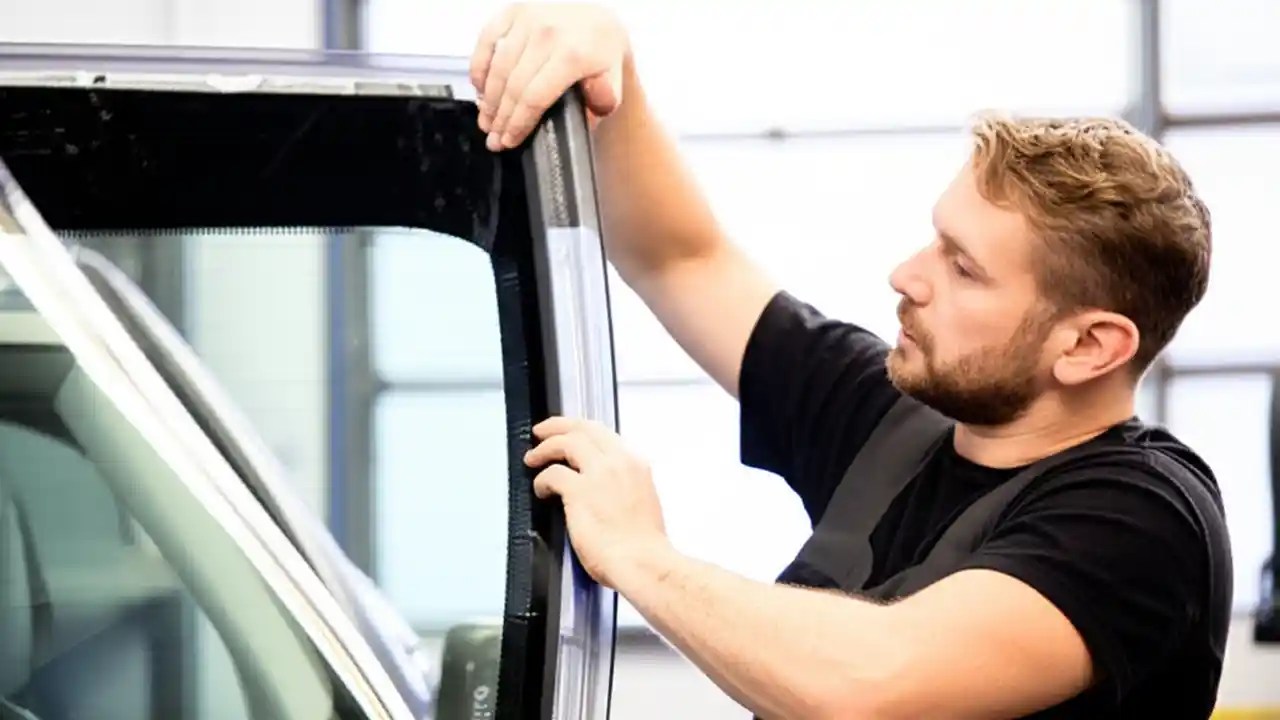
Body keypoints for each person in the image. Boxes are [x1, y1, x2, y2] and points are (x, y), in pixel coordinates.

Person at [471, 4, 1233, 718]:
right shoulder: (891, 416)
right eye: (936, 239)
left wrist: (642, 557)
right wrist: (610, 73)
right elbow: (683, 260)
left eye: (963, 268)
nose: (907, 276)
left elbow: (871, 684)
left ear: (1089, 346)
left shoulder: (1143, 519)